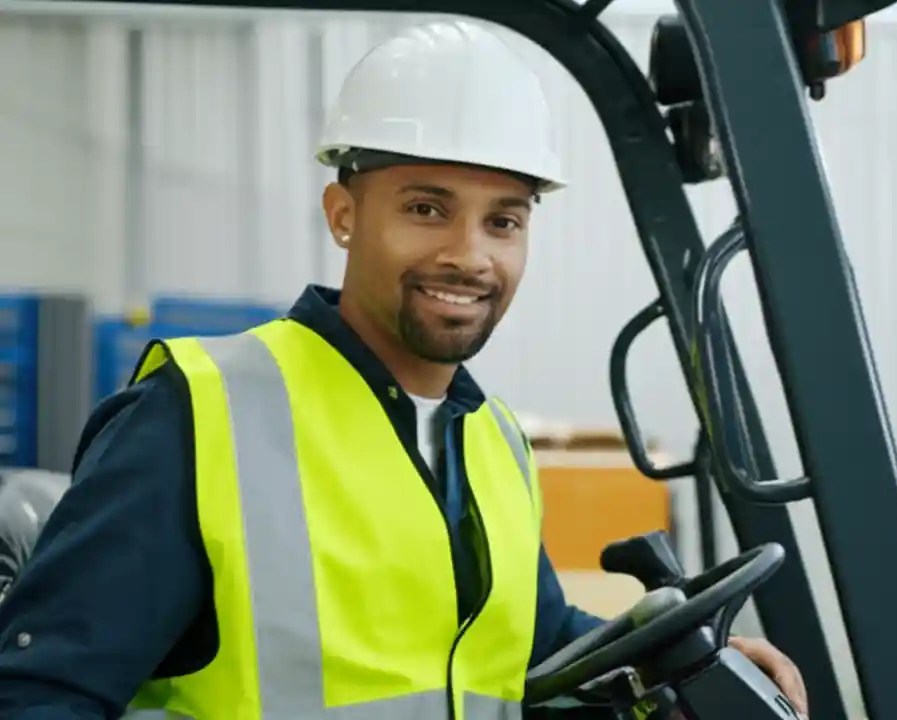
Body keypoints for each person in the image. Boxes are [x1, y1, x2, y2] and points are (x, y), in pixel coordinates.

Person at [0, 19, 807, 719]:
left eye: (503, 221)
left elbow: (522, 651)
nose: (469, 255)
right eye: (427, 209)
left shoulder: (491, 441)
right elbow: (41, 693)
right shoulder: (197, 415)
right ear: (344, 215)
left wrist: (695, 656)